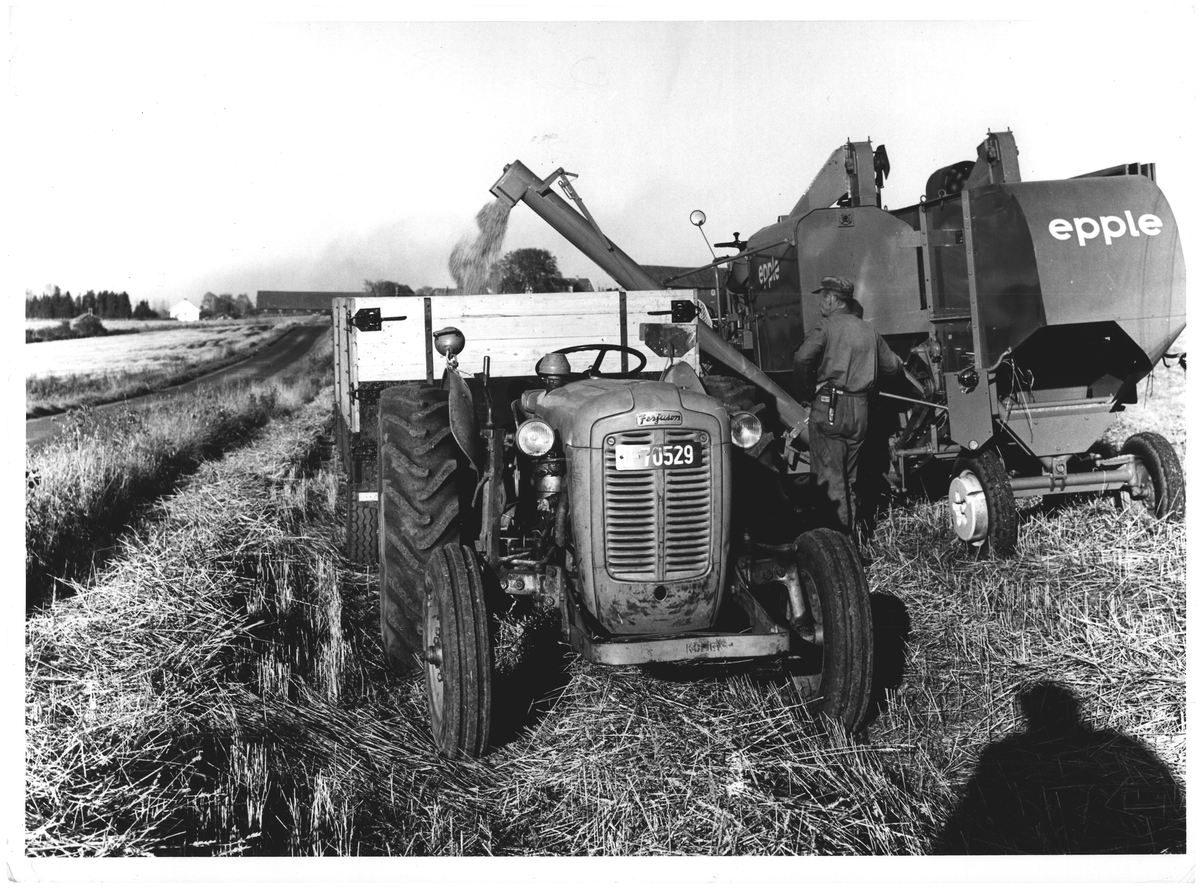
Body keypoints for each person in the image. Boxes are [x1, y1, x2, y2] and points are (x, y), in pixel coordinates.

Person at [793, 276, 903, 539]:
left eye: (823, 297)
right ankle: (852, 541)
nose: (821, 302)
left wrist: (808, 391)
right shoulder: (869, 331)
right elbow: (893, 367)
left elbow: (802, 358)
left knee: (830, 483)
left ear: (831, 299)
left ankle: (839, 549)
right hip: (861, 411)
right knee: (849, 480)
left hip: (831, 408)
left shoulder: (826, 327)